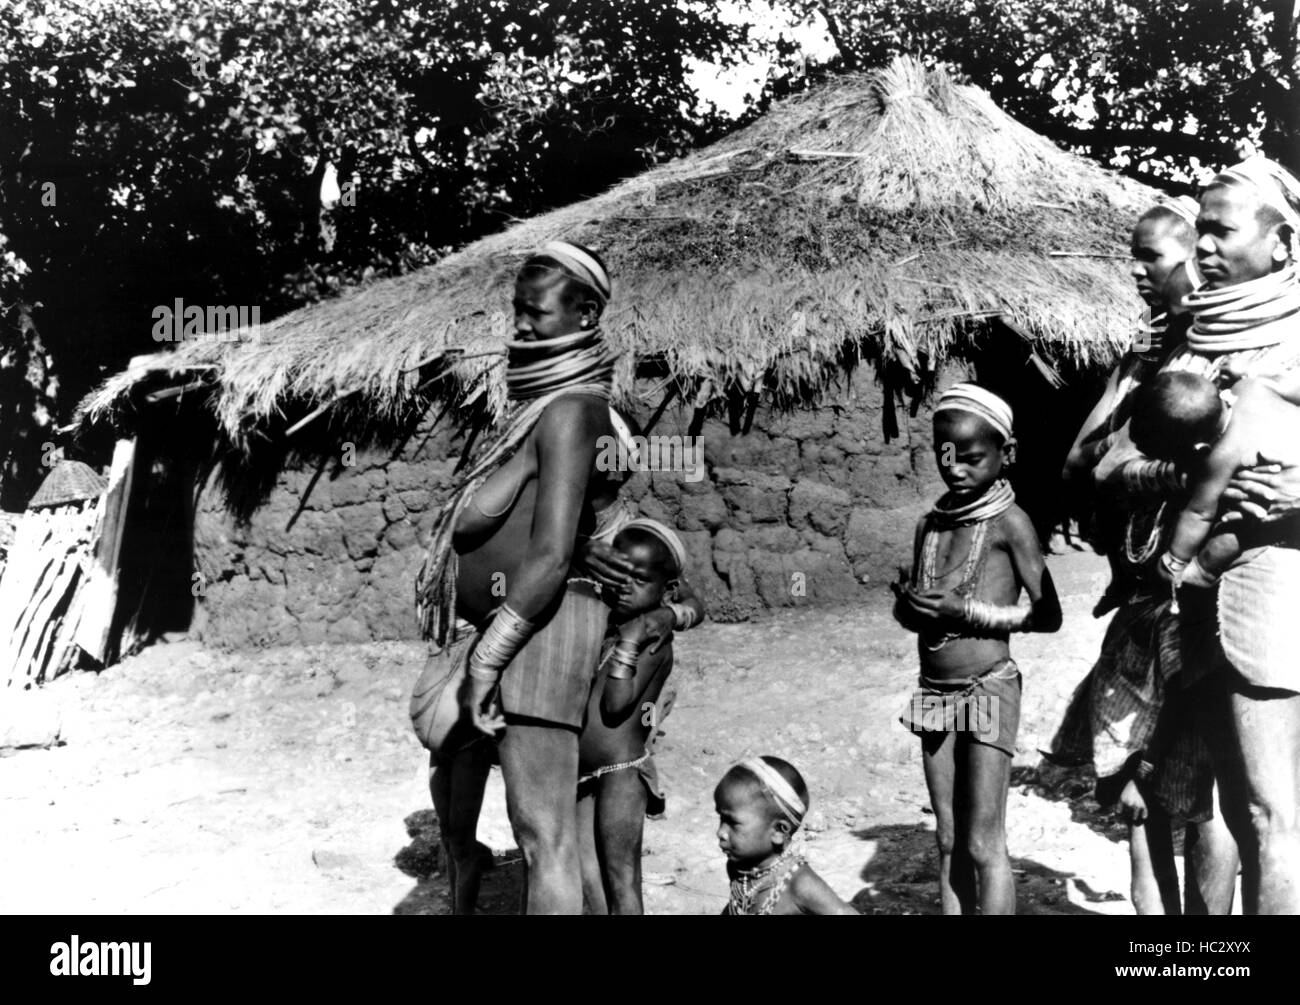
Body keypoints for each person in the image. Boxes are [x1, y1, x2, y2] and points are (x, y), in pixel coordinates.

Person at [1095, 156, 1300, 914]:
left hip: (1278, 592)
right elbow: (1109, 461)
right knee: (1238, 810)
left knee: (1277, 816)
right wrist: (1180, 478)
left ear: (1282, 243)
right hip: (1195, 604)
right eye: (1200, 229)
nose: (1203, 244)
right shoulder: (1189, 340)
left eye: (1220, 228)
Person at [410, 240, 629, 915]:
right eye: (518, 312)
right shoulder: (544, 411)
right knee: (550, 835)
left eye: (536, 313)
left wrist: (487, 659)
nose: (522, 327)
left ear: (586, 313)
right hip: (529, 630)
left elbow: (548, 558)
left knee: (545, 840)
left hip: (540, 634)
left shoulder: (573, 411)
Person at [1053, 205, 1237, 916]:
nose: (1136, 269)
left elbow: (1215, 478)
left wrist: (1133, 467)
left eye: (1151, 256)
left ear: (1190, 255)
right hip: (1138, 590)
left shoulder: (1228, 353)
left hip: (1199, 598)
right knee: (1138, 787)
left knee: (1208, 794)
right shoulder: (1146, 357)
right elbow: (1079, 462)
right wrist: (1129, 381)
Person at [893, 383, 1062, 915]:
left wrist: (966, 612)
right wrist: (909, 607)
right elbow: (915, 617)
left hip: (988, 686)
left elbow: (1049, 615)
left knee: (982, 842)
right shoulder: (931, 524)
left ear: (1006, 455)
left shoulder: (1010, 524)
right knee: (946, 839)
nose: (956, 470)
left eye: (970, 459)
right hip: (933, 689)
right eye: (946, 458)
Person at [576, 519, 698, 915]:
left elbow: (614, 704)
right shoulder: (609, 621)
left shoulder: (652, 639)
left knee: (622, 879)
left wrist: (628, 642)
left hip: (621, 773)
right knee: (587, 875)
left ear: (665, 592)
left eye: (640, 580)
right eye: (620, 575)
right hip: (584, 773)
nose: (626, 586)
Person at [714, 756, 858, 915]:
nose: (721, 832)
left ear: (778, 831)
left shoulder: (801, 885)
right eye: (721, 818)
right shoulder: (739, 866)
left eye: (732, 823)